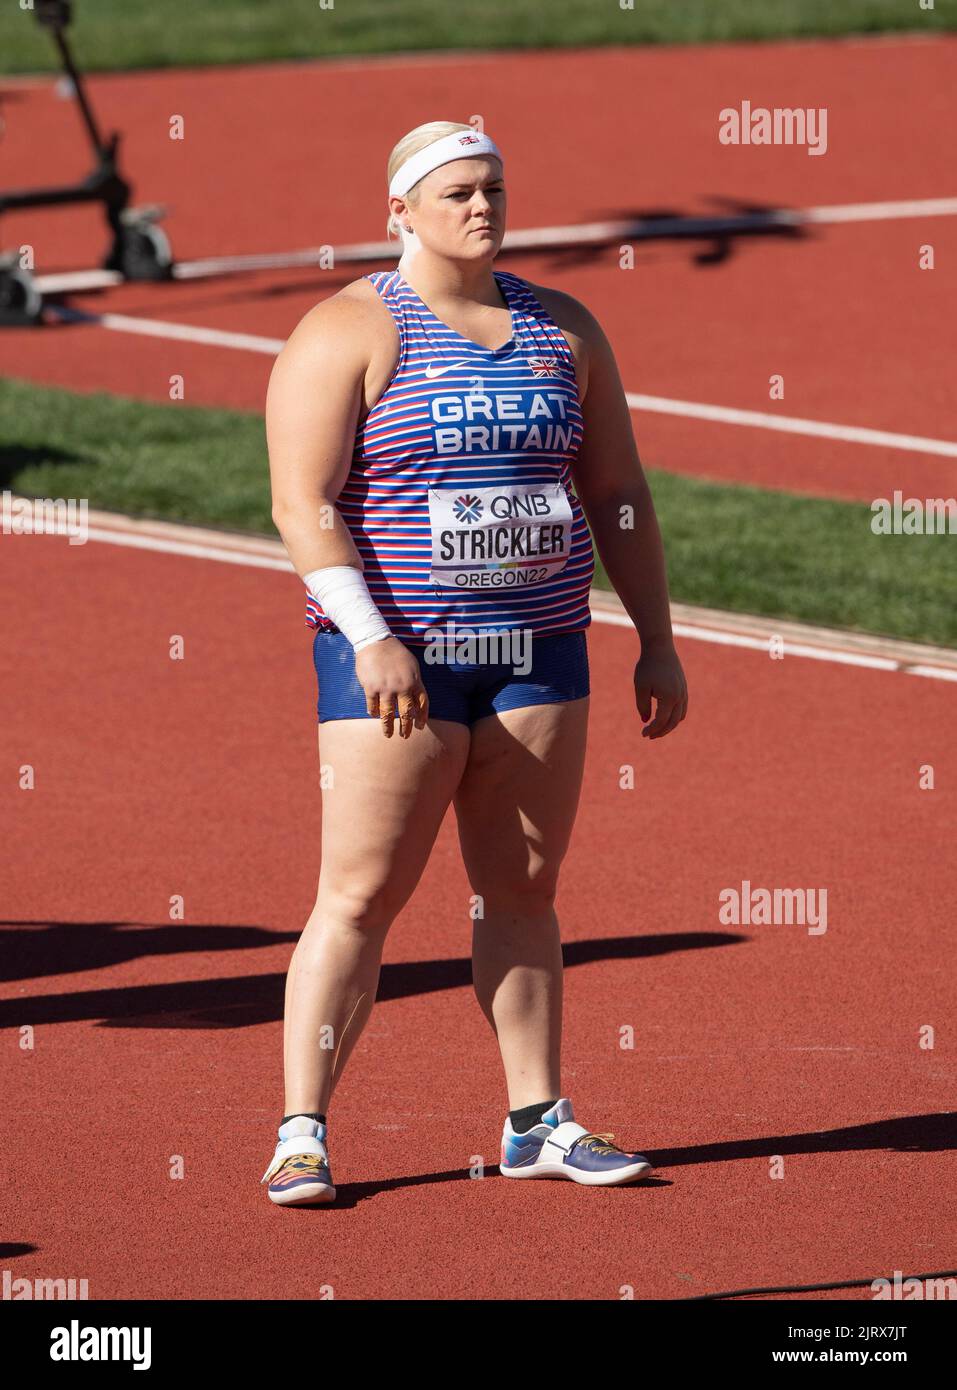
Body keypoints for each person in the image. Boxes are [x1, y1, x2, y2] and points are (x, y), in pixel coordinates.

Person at [260, 121, 688, 1206]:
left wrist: (658, 637)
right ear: (398, 210)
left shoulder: (563, 328)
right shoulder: (347, 330)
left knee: (524, 891)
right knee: (360, 895)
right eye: (455, 193)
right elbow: (301, 503)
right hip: (404, 656)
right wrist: (370, 637)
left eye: (493, 188)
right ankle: (302, 1130)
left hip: (540, 648)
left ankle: (538, 1118)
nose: (481, 207)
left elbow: (620, 493)